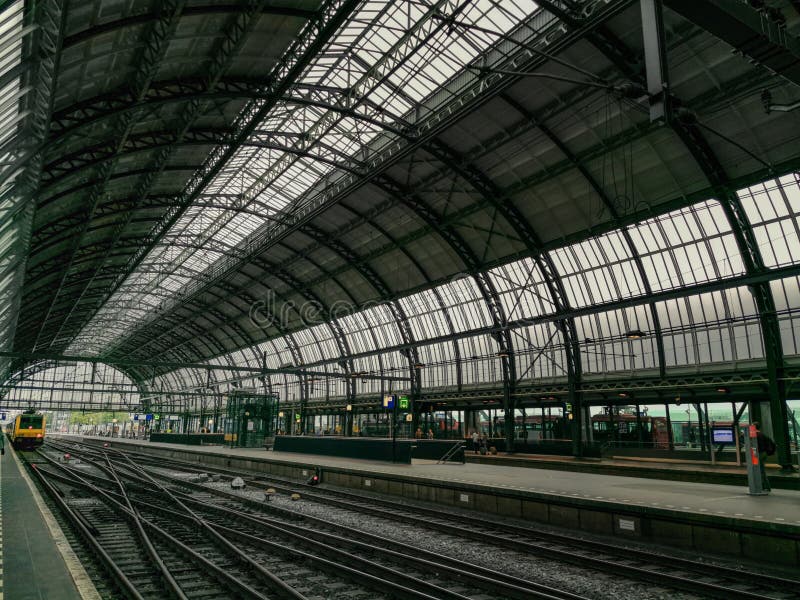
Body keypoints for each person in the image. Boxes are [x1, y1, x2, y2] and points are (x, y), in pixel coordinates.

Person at [754, 423, 776, 492]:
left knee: (760, 470)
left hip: (759, 454)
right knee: (761, 470)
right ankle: (763, 486)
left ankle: (766, 486)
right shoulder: (762, 434)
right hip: (764, 453)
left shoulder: (755, 435)